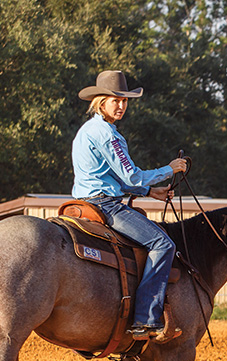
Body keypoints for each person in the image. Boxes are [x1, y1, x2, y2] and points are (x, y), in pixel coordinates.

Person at [72, 70, 190, 340]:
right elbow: (130, 176)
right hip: (105, 205)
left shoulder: (87, 130)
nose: (122, 106)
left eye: (125, 101)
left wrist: (151, 191)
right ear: (101, 101)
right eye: (116, 100)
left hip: (84, 201)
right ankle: (145, 320)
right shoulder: (108, 134)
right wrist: (169, 170)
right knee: (163, 244)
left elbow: (115, 177)